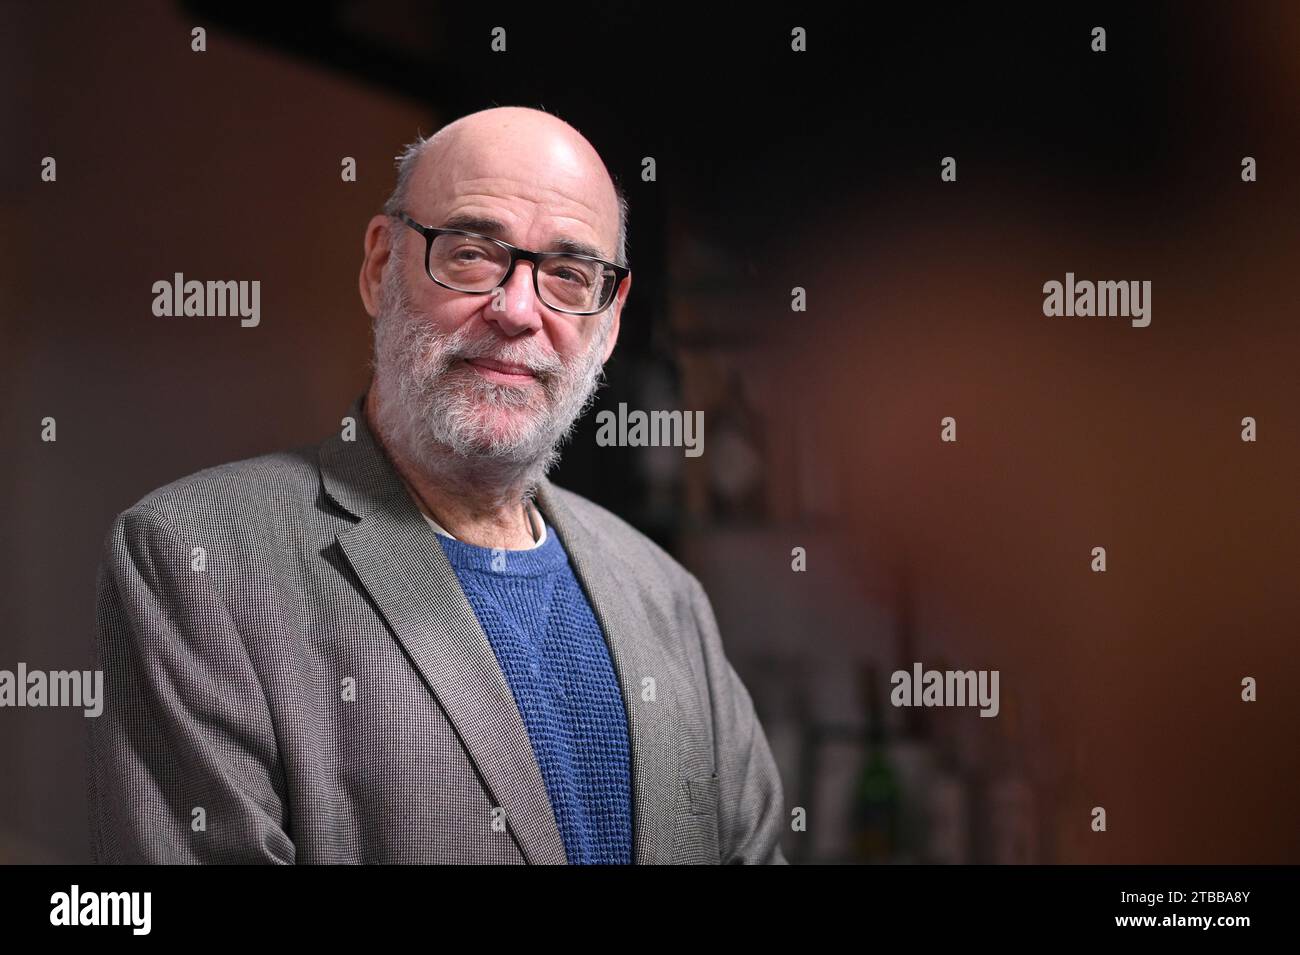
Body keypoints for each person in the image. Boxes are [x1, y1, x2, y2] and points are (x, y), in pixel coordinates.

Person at [88, 106, 787, 864]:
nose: (518, 311)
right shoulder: (195, 558)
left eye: (568, 275)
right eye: (472, 254)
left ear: (608, 323)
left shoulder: (666, 592)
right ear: (381, 265)